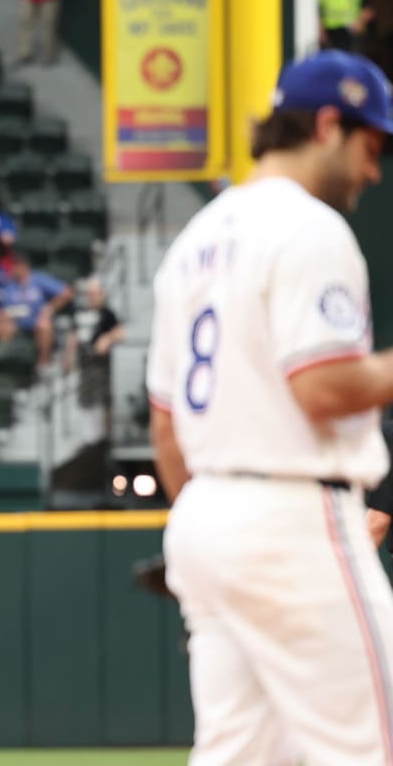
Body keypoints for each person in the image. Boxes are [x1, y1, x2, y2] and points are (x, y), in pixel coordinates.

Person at [146, 50, 393, 765]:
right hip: (293, 515)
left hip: (204, 520)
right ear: (327, 126)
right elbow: (321, 386)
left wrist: (219, 523)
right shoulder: (309, 228)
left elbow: (167, 427)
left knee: (240, 755)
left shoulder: (196, 239)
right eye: (370, 146)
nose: (374, 171)